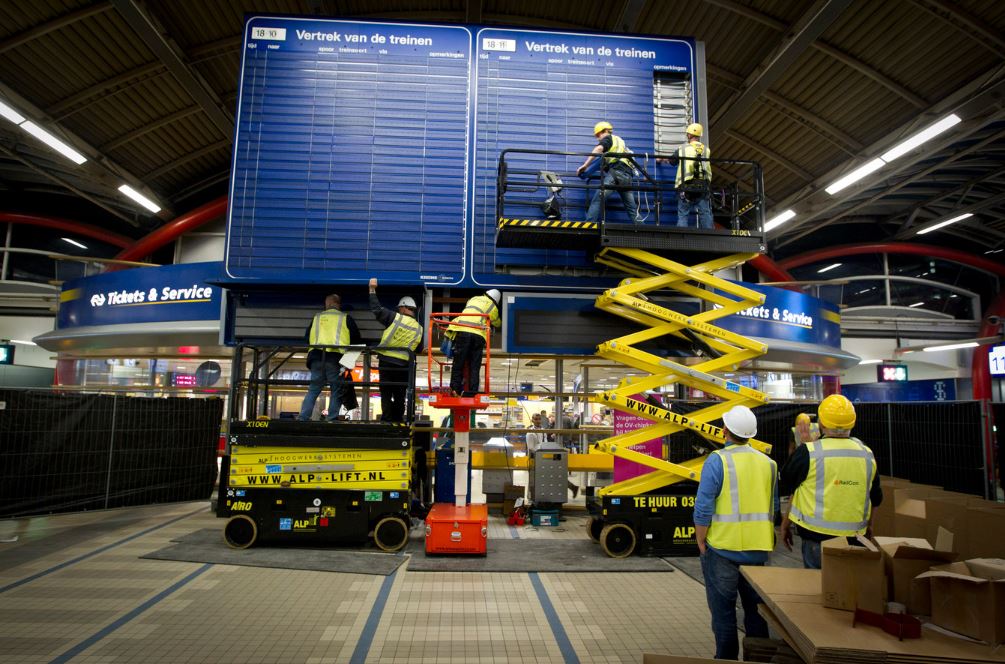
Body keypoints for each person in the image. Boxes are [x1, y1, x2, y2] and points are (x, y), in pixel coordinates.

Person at [693, 405, 776, 661]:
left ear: (725, 431)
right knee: (757, 615)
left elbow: (704, 506)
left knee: (724, 615)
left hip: (722, 549)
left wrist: (700, 539)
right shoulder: (769, 463)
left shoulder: (717, 461)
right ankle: (758, 658)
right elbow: (772, 505)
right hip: (759, 550)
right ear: (751, 434)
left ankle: (726, 659)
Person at [779, 394, 883, 569]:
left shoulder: (808, 453)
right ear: (853, 422)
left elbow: (789, 485)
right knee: (847, 589)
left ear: (821, 423)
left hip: (815, 539)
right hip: (855, 537)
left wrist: (785, 524)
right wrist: (870, 527)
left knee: (819, 588)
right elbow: (876, 497)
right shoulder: (866, 454)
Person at [299, 293, 361, 421]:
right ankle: (331, 419)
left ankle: (303, 417)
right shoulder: (345, 318)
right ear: (338, 304)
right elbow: (357, 341)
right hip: (335, 359)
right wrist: (348, 362)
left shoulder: (317, 318)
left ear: (328, 303)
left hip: (316, 358)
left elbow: (306, 338)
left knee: (313, 389)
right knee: (336, 390)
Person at [368, 277, 424, 422]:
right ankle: (398, 420)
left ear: (404, 307)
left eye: (399, 308)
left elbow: (376, 309)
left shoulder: (395, 318)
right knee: (400, 393)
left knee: (386, 392)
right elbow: (418, 348)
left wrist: (372, 289)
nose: (398, 310)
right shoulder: (419, 329)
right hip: (404, 366)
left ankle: (387, 419)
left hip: (386, 362)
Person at [577, 121, 641, 225]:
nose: (598, 138)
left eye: (599, 134)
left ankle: (588, 225)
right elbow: (607, 161)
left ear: (606, 131)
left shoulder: (609, 138)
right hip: (627, 178)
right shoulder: (620, 142)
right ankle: (642, 229)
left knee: (598, 200)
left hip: (616, 174)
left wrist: (585, 165)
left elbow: (598, 148)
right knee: (632, 209)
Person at [446, 289, 501, 396]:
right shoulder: (492, 306)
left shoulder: (473, 299)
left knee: (458, 363)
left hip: (463, 332)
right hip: (478, 335)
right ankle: (472, 392)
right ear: (495, 300)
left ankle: (455, 390)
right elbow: (497, 322)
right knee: (474, 366)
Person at [675, 123, 713, 229]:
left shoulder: (682, 148)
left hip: (686, 186)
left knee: (683, 214)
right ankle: (710, 236)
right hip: (702, 186)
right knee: (705, 213)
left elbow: (672, 161)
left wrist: (661, 160)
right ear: (699, 135)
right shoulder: (706, 150)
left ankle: (682, 236)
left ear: (689, 135)